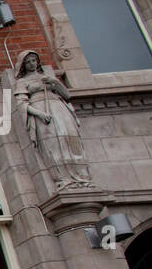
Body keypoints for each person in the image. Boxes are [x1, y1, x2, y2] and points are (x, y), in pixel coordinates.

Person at [10, 49, 92, 190]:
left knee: (69, 140)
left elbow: (66, 95)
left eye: (33, 60)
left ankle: (81, 177)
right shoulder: (22, 82)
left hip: (59, 108)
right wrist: (40, 114)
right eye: (28, 62)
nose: (31, 64)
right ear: (23, 65)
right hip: (41, 110)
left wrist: (54, 81)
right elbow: (22, 104)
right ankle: (63, 178)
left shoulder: (47, 77)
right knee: (53, 145)